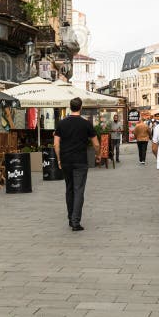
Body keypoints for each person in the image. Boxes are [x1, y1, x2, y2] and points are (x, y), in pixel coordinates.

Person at [54, 97, 100, 231]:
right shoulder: (86, 123)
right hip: (80, 160)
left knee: (69, 189)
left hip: (66, 160)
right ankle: (75, 221)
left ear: (70, 107)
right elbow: (96, 143)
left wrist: (58, 159)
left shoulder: (61, 123)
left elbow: (56, 144)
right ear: (80, 107)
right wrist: (98, 155)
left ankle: (70, 218)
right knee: (79, 190)